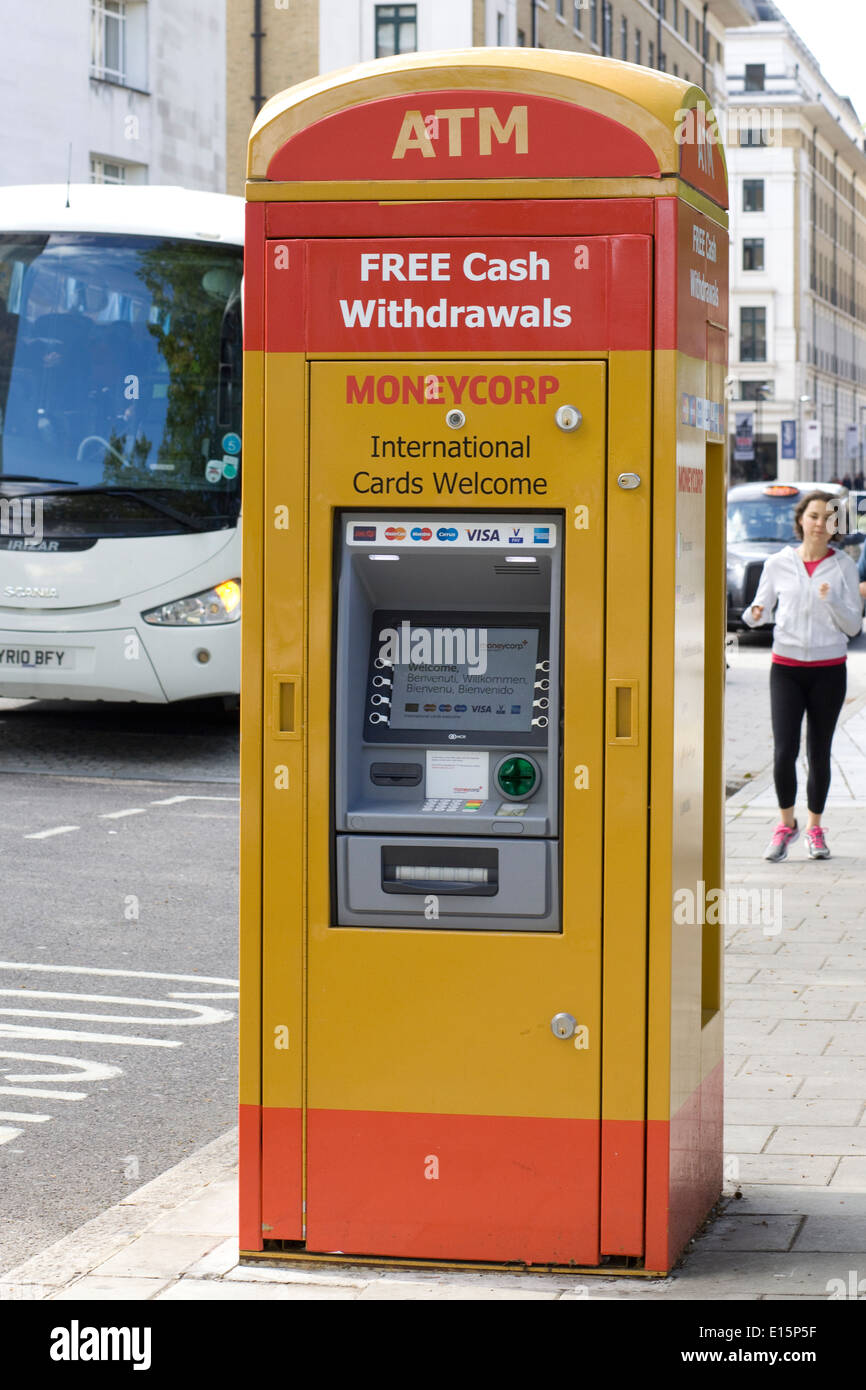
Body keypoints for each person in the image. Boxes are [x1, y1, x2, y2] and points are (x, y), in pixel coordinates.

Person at [744, 491, 862, 861]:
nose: (819, 524)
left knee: (819, 752)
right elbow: (755, 614)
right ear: (800, 520)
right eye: (813, 516)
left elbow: (853, 627)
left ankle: (815, 828)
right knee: (783, 752)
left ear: (836, 527)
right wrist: (757, 612)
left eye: (828, 519)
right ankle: (785, 825)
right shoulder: (778, 563)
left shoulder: (842, 566)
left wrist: (833, 600)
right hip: (787, 668)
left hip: (828, 670)